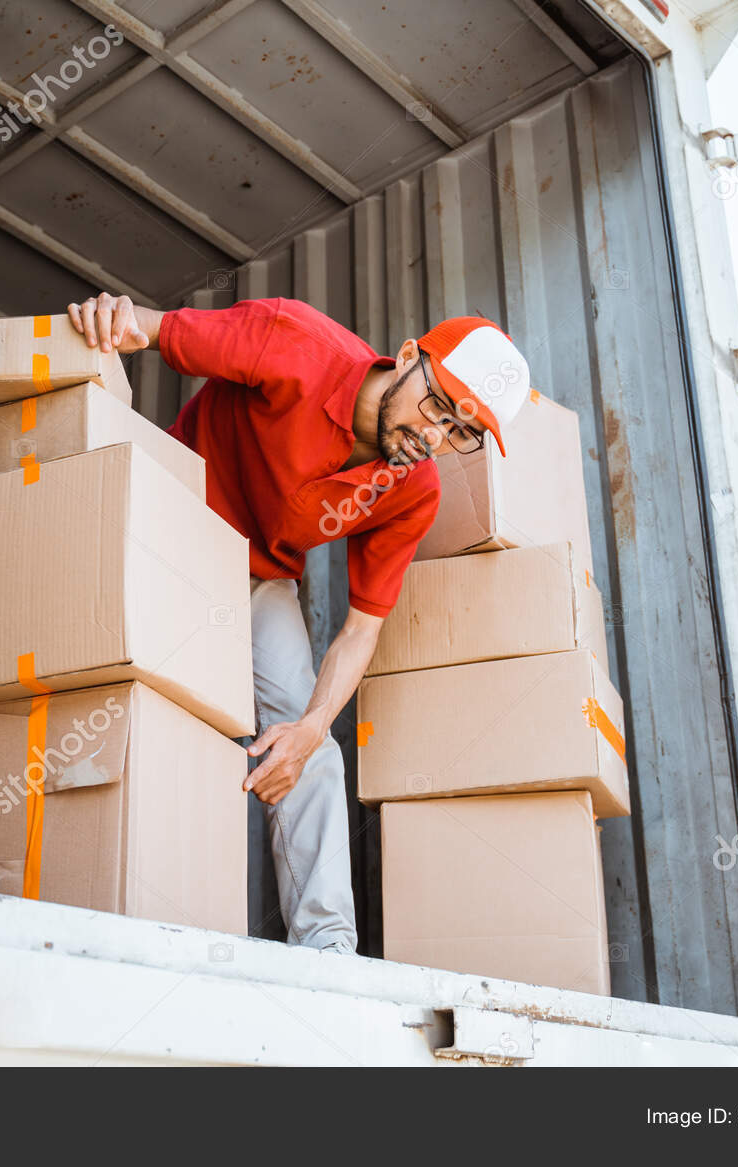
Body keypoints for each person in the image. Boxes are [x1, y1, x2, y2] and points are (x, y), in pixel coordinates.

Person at [66, 291, 531, 953]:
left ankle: (327, 949)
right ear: (405, 357)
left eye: (462, 432)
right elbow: (151, 330)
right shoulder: (296, 342)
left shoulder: (415, 489)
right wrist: (109, 318)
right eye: (438, 405)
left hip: (258, 574)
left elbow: (362, 627)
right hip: (173, 517)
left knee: (310, 747)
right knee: (138, 694)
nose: (434, 436)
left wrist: (311, 726)